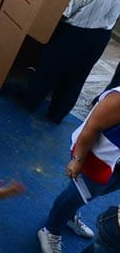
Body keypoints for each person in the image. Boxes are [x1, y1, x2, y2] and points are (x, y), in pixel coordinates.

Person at [22, 0, 120, 123]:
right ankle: (57, 114)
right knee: (77, 76)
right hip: (102, 37)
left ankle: (30, 102)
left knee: (49, 69)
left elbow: (64, 13)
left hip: (74, 34)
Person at [37, 83, 120, 253]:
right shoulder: (118, 99)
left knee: (93, 193)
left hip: (115, 162)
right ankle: (50, 230)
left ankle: (68, 216)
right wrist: (78, 159)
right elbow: (92, 127)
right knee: (77, 195)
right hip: (97, 157)